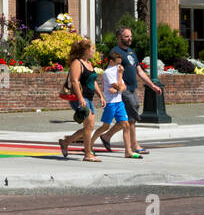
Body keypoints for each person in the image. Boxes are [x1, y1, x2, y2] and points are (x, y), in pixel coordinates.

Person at [104, 25, 159, 156]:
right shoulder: (115, 52)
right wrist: (113, 87)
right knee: (132, 118)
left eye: (130, 36)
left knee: (127, 119)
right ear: (119, 37)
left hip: (131, 90)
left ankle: (106, 136)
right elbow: (110, 71)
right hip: (124, 90)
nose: (129, 39)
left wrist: (152, 85)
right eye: (126, 36)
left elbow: (139, 71)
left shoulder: (131, 52)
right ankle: (134, 145)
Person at [57, 39, 100, 162]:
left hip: (89, 99)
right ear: (86, 50)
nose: (93, 51)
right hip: (80, 98)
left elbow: (93, 81)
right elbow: (75, 81)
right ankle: (88, 154)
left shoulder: (89, 64)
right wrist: (80, 98)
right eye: (92, 48)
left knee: (89, 126)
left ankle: (66, 142)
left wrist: (101, 96)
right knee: (89, 125)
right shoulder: (77, 63)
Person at [96, 56, 138, 158]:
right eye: (117, 63)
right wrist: (120, 75)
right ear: (111, 61)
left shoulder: (117, 70)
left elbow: (124, 86)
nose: (120, 66)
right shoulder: (108, 72)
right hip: (110, 103)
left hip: (119, 102)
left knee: (126, 125)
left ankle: (128, 151)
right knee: (105, 126)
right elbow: (119, 85)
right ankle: (91, 143)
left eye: (120, 63)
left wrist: (117, 90)